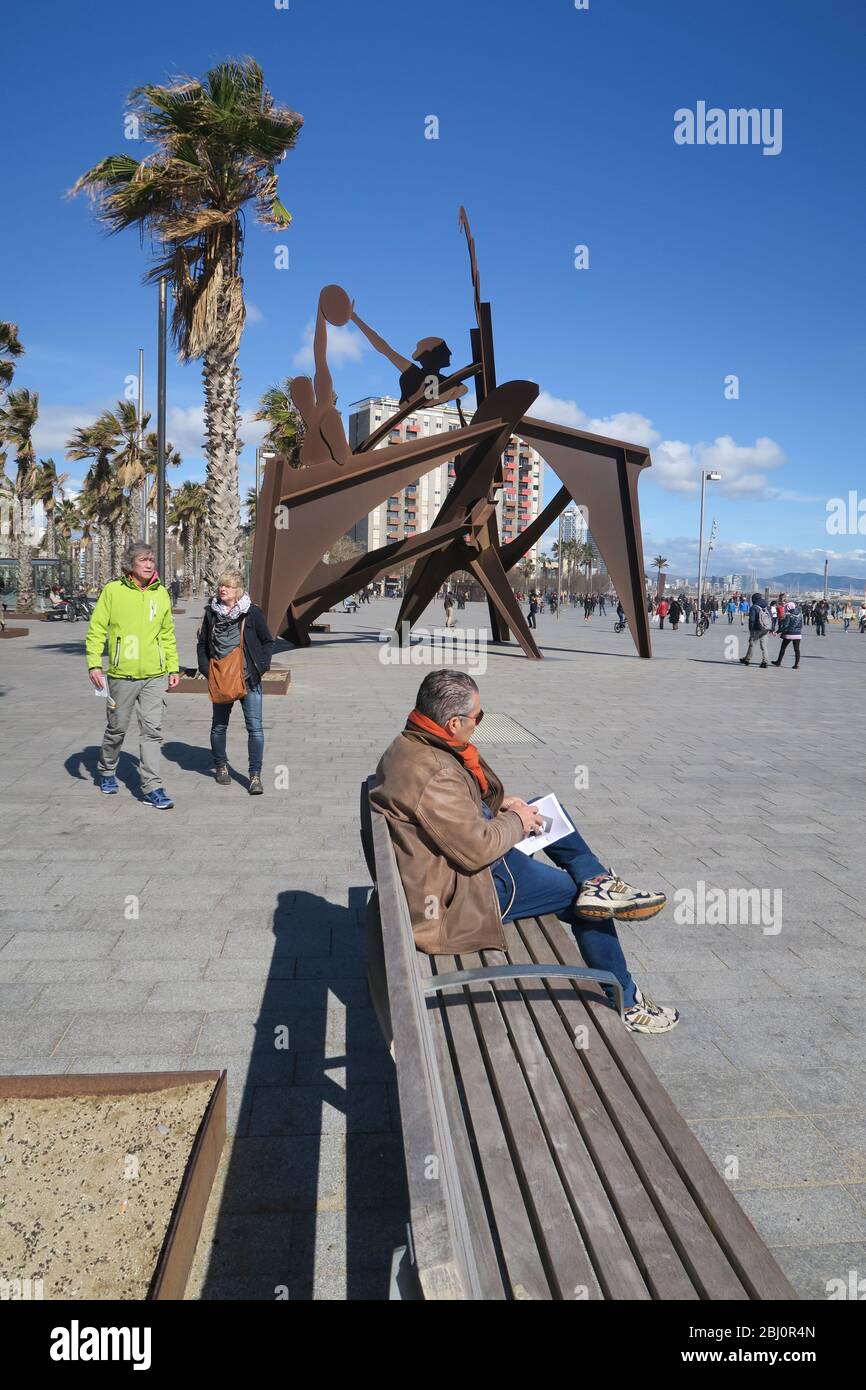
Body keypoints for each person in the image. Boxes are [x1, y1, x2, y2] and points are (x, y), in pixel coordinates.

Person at [370, 670, 678, 1034]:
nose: (478, 725)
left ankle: (599, 880)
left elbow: (453, 817)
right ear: (453, 722)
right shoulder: (436, 770)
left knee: (546, 812)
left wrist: (499, 808)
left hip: (448, 866)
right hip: (462, 894)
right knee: (582, 903)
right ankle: (625, 999)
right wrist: (514, 820)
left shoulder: (414, 743)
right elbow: (476, 849)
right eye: (477, 718)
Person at [85, 541, 180, 807]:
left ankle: (152, 787)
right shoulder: (113, 591)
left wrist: (172, 667)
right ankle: (106, 769)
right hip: (121, 675)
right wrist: (94, 664)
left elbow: (167, 634)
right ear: (130, 565)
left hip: (155, 675)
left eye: (152, 560)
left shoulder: (161, 593)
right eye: (143, 560)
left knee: (152, 731)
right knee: (117, 728)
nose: (149, 565)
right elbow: (97, 629)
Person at [197, 568, 275, 795]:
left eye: (229, 586)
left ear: (238, 591)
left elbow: (267, 641)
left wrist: (260, 667)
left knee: (255, 729)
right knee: (219, 726)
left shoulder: (252, 613)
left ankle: (254, 775)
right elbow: (202, 644)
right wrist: (207, 670)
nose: (223, 589)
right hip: (221, 677)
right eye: (222, 585)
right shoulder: (211, 613)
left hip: (249, 679)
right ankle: (221, 766)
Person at [739, 592, 771, 668]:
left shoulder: (754, 607)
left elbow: (752, 620)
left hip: (756, 629)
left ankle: (747, 659)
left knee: (752, 644)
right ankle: (765, 661)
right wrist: (771, 628)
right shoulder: (767, 606)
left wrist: (751, 629)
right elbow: (771, 617)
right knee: (764, 645)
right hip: (765, 628)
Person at [773, 601, 802, 669]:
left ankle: (778, 662)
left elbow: (785, 626)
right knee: (797, 649)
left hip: (789, 634)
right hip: (798, 634)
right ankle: (796, 664)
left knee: (783, 647)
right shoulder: (800, 614)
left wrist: (777, 632)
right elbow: (801, 624)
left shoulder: (788, 614)